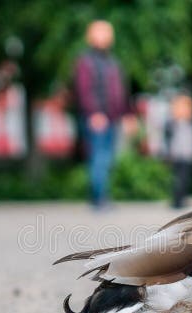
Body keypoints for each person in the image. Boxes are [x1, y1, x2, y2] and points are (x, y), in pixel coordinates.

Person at [73, 20, 131, 208]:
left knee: (107, 158)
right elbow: (84, 90)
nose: (106, 36)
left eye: (108, 32)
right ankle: (99, 199)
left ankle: (99, 195)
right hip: (97, 117)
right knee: (99, 157)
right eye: (101, 32)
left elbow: (120, 91)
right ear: (91, 36)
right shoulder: (86, 61)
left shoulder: (112, 61)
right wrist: (94, 113)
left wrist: (126, 114)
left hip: (112, 118)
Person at [163, 92, 192, 209]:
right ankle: (177, 199)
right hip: (176, 154)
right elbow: (167, 140)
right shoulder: (171, 124)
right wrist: (167, 153)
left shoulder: (191, 123)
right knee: (178, 178)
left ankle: (183, 197)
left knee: (185, 178)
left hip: (187, 154)